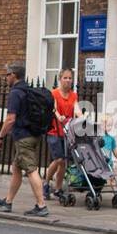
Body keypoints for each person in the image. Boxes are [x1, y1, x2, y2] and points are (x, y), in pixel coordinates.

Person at [0, 61, 49, 217]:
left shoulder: (15, 93)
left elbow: (10, 119)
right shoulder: (27, 90)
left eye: (7, 75)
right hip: (33, 135)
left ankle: (41, 205)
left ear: (13, 75)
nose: (6, 78)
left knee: (31, 170)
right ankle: (8, 202)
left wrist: (0, 137)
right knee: (16, 168)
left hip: (24, 137)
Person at [45, 68, 77, 200]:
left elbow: (77, 108)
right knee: (58, 159)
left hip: (67, 131)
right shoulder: (54, 93)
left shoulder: (73, 95)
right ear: (60, 79)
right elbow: (53, 108)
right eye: (65, 78)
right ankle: (46, 183)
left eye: (70, 78)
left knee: (63, 162)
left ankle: (57, 189)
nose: (68, 80)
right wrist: (59, 116)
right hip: (54, 130)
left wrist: (82, 117)